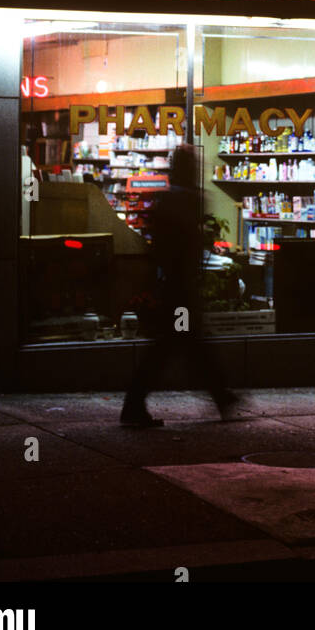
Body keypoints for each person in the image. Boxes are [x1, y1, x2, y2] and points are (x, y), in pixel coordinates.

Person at [120, 145, 240, 427]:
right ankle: (219, 395)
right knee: (178, 346)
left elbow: (158, 245)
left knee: (177, 345)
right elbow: (187, 243)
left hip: (172, 285)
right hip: (181, 288)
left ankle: (219, 395)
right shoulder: (190, 199)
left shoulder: (168, 199)